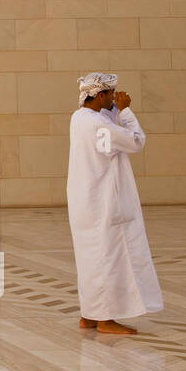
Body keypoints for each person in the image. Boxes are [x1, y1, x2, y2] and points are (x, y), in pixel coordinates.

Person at [66, 72, 163, 335]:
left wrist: (114, 109)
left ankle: (89, 315)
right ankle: (106, 319)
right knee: (108, 258)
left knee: (91, 258)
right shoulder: (99, 125)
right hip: (103, 204)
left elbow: (105, 122)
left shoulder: (80, 118)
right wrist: (127, 111)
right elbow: (135, 141)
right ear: (100, 95)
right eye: (111, 94)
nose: (115, 97)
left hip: (85, 203)